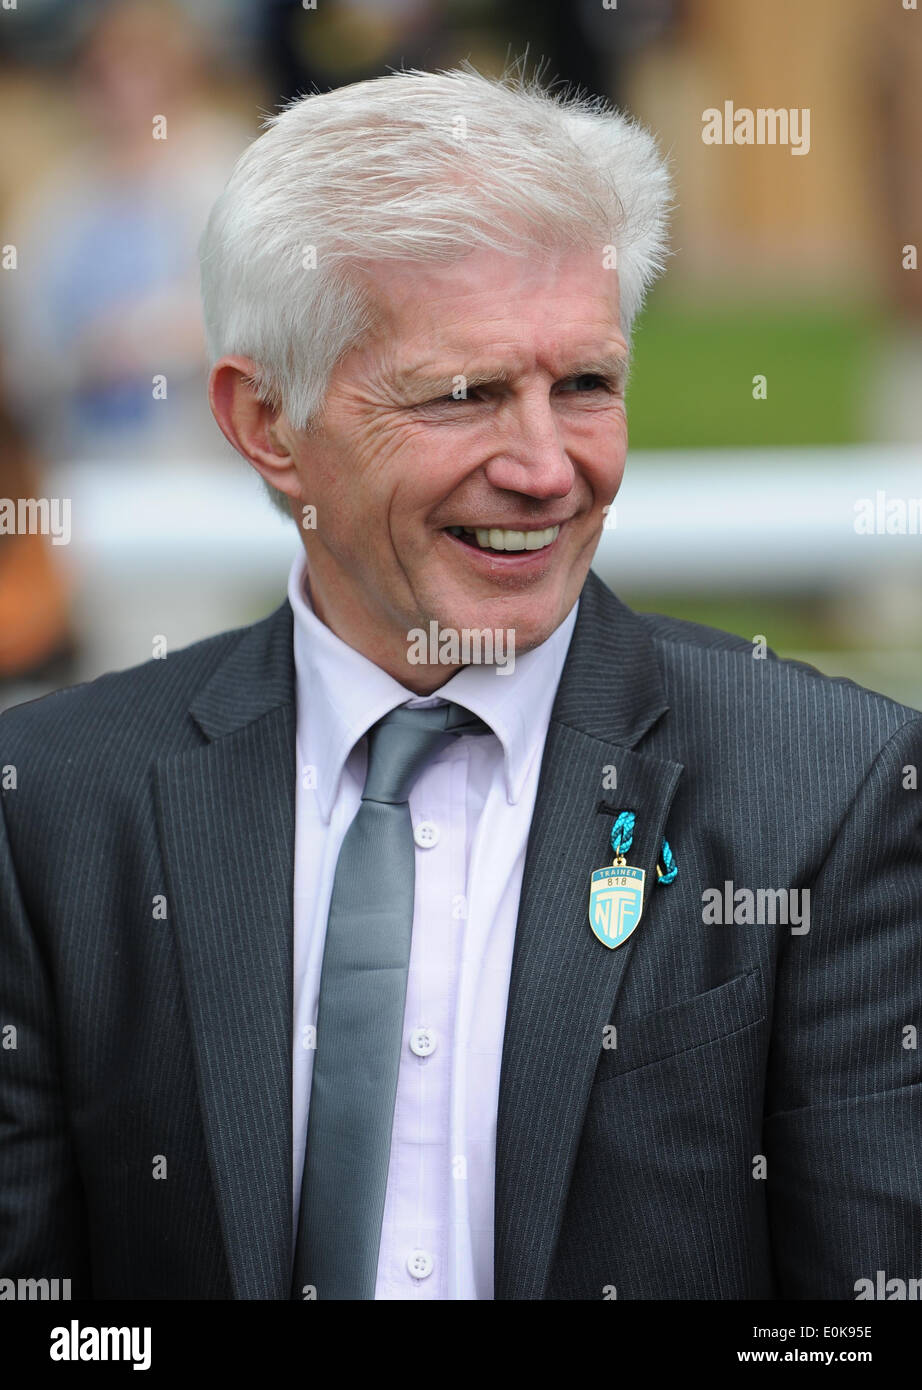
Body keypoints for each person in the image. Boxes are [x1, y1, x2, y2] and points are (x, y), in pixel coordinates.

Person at [1, 66, 919, 1302]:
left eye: (585, 385)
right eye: (464, 394)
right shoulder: (54, 808)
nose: (546, 467)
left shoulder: (827, 792)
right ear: (267, 424)